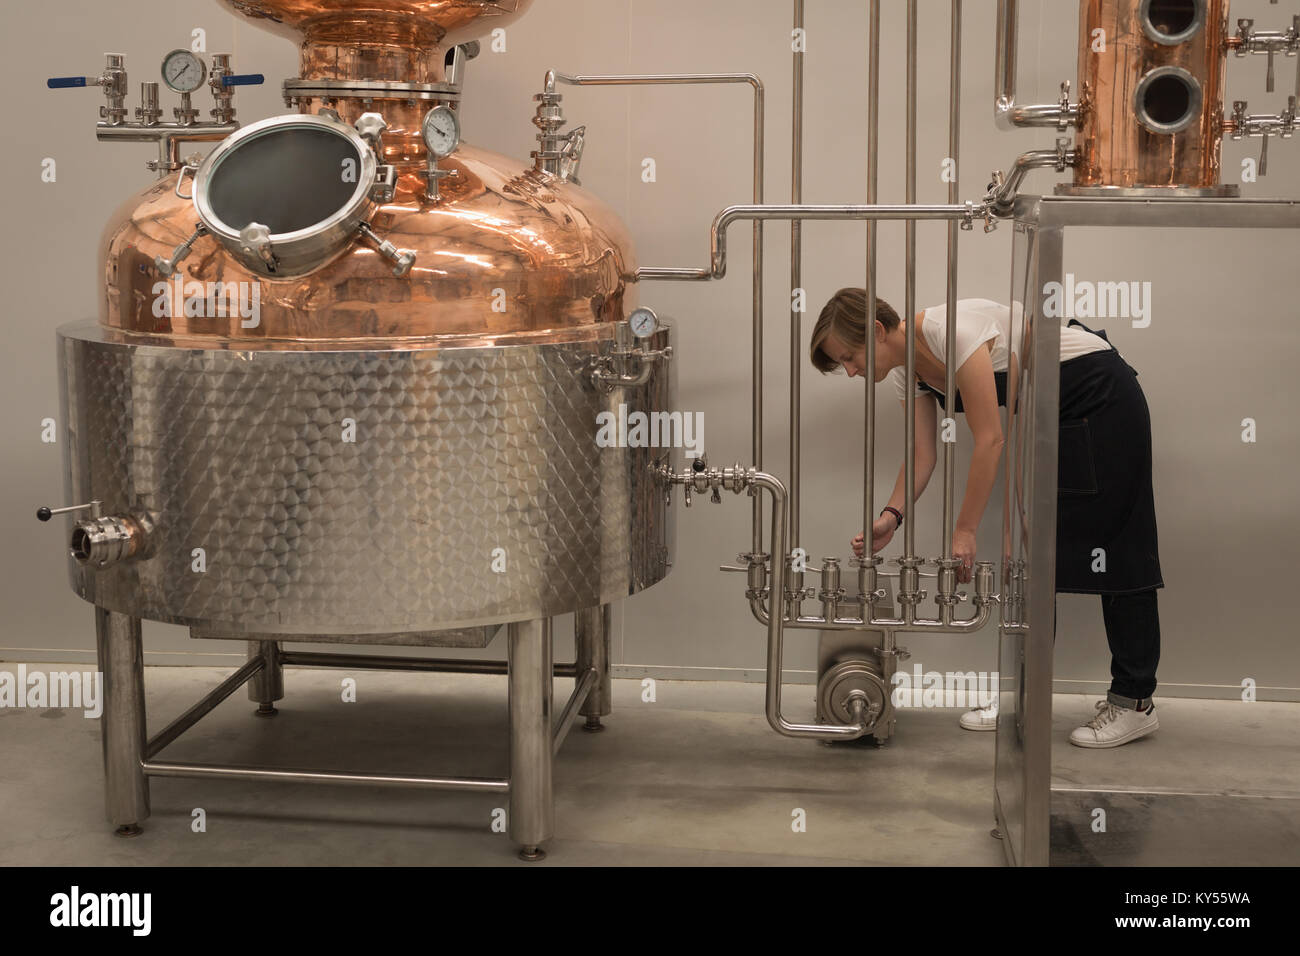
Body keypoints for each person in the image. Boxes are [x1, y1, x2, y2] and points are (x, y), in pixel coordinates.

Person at [809, 289, 1162, 748]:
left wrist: (965, 530)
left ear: (876, 331)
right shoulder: (907, 375)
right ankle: (1023, 696)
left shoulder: (951, 330)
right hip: (1047, 416)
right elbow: (921, 456)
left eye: (850, 357)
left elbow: (989, 438)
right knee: (1030, 560)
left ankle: (1135, 701)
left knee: (1118, 547)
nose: (851, 371)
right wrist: (891, 517)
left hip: (1100, 397)